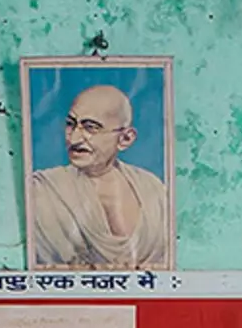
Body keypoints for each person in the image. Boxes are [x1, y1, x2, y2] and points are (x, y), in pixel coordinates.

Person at [31, 84, 169, 270]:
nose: (74, 139)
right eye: (71, 125)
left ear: (125, 139)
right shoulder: (43, 189)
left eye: (90, 128)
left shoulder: (152, 189)